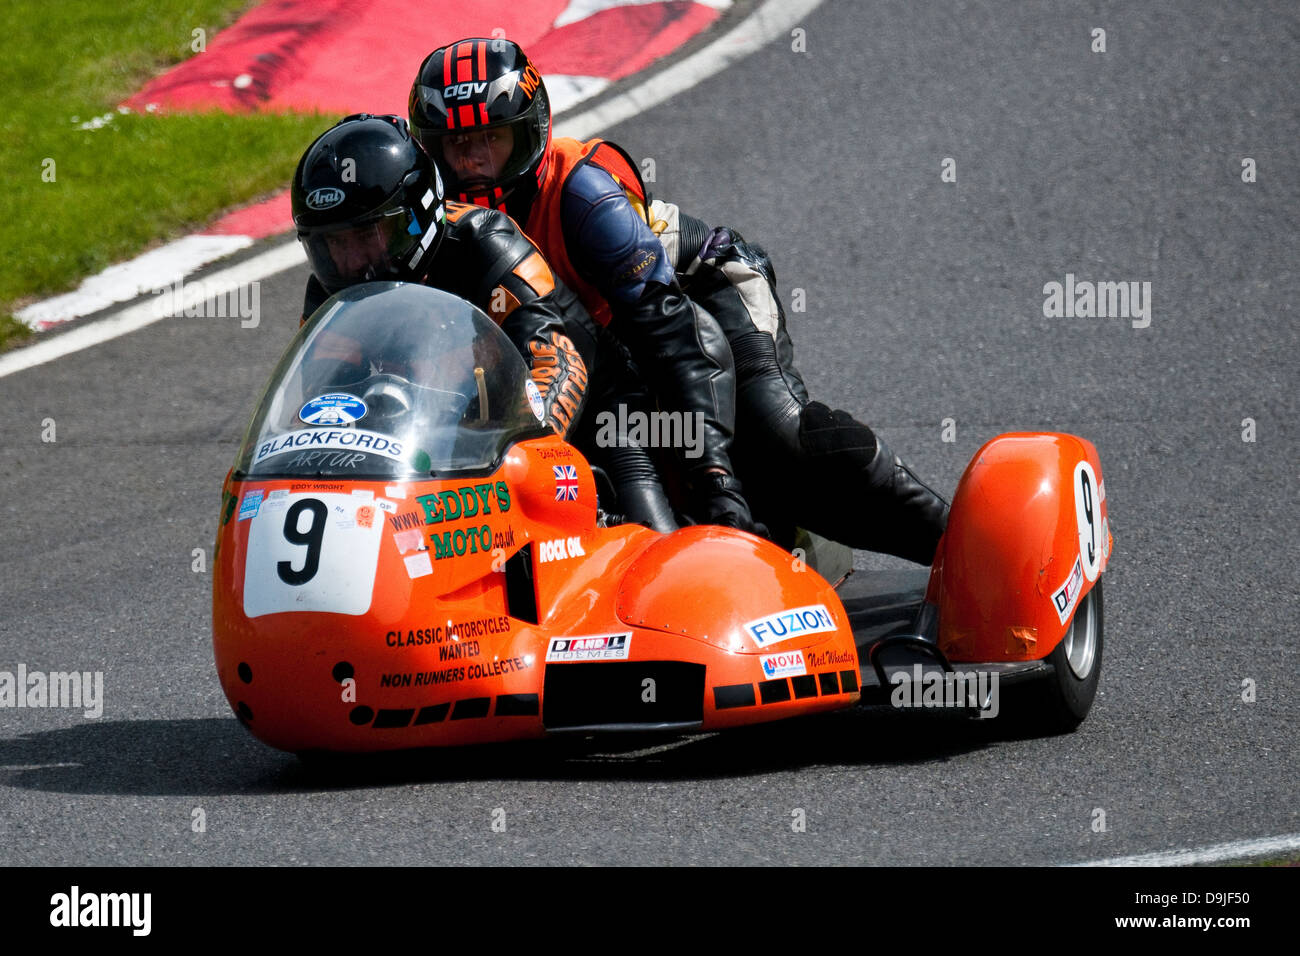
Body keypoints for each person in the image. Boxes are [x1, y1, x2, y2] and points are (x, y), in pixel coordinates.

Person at [408, 40, 949, 564]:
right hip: (604, 348)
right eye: (457, 145)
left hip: (699, 294)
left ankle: (952, 539)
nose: (474, 162)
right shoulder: (430, 225)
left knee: (776, 432)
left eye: (492, 138)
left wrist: (715, 481)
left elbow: (674, 337)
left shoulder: (585, 198)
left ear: (530, 132)